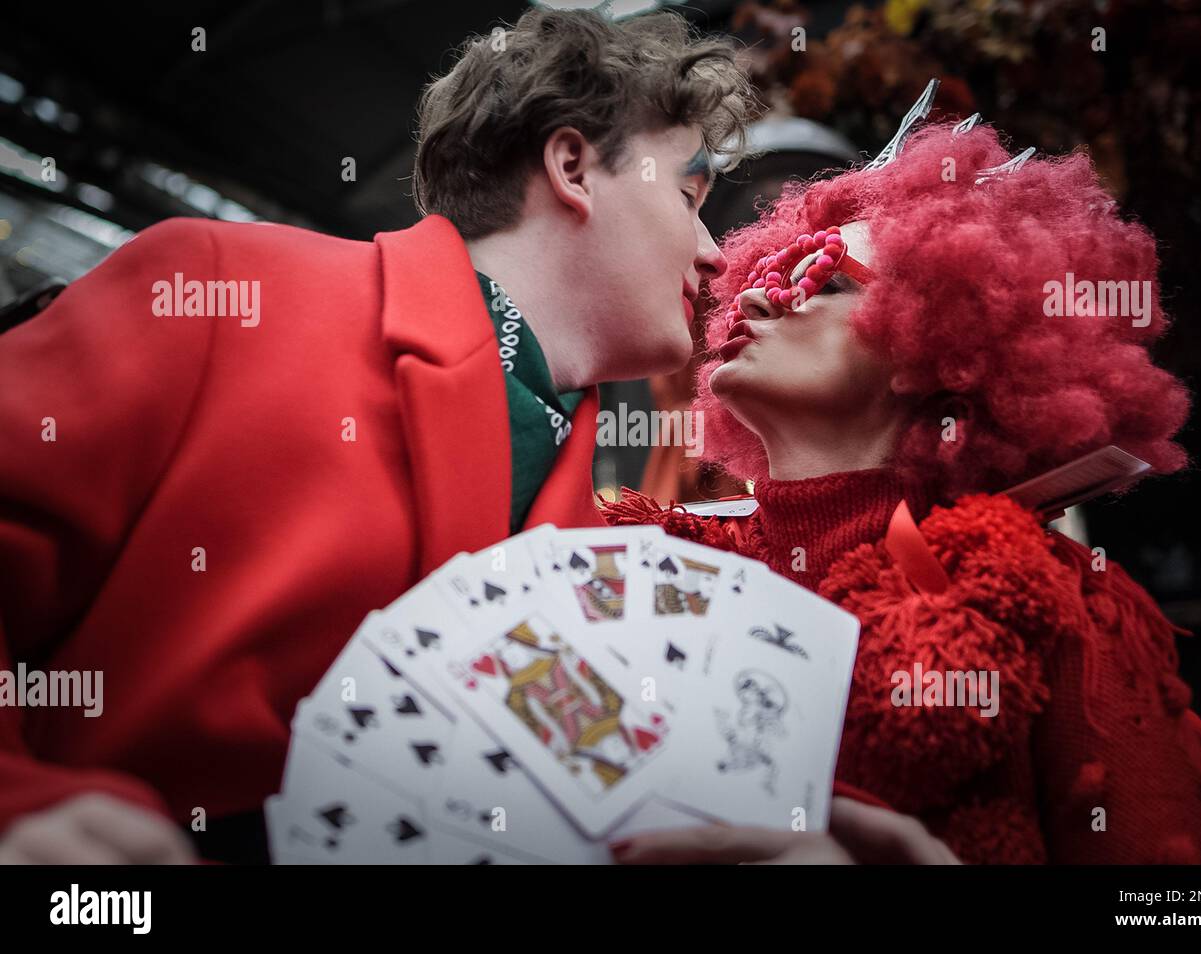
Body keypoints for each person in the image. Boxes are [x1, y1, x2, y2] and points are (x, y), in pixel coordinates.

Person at [0, 8, 758, 863]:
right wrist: (17, 806)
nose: (715, 254)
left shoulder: (597, 527)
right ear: (574, 165)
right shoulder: (220, 291)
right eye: (690, 196)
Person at [603, 96, 1201, 864]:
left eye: (822, 280)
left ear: (934, 345)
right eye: (768, 270)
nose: (753, 294)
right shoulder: (651, 573)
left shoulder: (1059, 601)